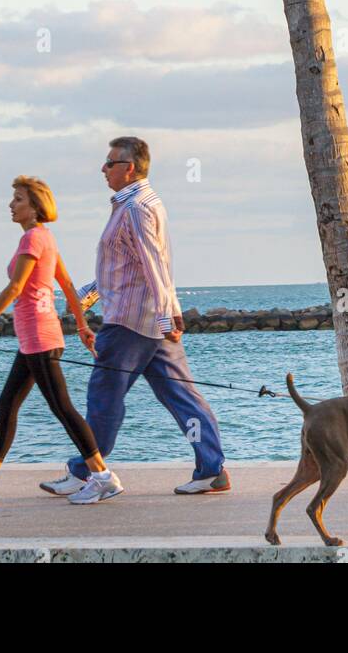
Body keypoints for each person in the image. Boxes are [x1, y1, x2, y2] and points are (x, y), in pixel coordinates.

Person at [42, 137, 230, 499]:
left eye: (109, 163)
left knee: (103, 395)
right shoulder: (137, 204)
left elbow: (153, 264)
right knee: (180, 395)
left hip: (131, 322)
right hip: (146, 318)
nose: (103, 169)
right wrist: (86, 297)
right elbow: (126, 266)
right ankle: (212, 469)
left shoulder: (136, 208)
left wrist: (164, 317)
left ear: (129, 167)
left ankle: (86, 472)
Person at [0, 176, 121, 506]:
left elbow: (15, 288)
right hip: (34, 339)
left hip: (39, 336)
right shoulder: (44, 238)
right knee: (8, 404)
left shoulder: (32, 241)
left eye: (18, 199)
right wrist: (81, 325)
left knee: (62, 408)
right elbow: (67, 284)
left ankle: (102, 477)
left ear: (35, 206)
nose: (11, 205)